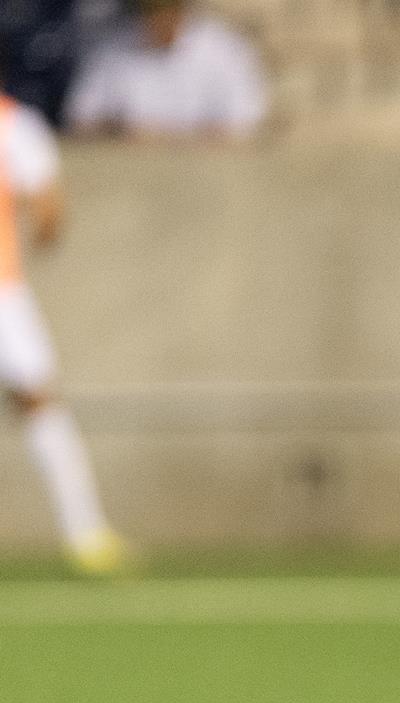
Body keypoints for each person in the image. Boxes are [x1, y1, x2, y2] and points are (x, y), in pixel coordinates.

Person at [0, 92, 126, 574]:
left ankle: (87, 534)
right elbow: (49, 212)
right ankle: (87, 535)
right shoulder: (16, 125)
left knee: (37, 401)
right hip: (4, 293)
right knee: (39, 404)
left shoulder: (16, 126)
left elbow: (47, 211)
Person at [65, 0, 267, 140]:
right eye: (151, 10)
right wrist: (120, 131)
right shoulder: (112, 51)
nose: (158, 19)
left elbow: (245, 126)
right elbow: (80, 120)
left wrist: (171, 137)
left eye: (166, 9)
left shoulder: (224, 50)